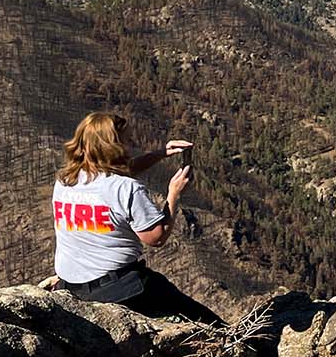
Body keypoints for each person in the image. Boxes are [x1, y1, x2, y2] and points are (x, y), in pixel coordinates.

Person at [48, 111, 222, 324]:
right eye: (127, 140)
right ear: (114, 146)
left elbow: (113, 177)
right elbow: (156, 238)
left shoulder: (66, 181)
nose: (131, 144)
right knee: (207, 322)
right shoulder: (127, 189)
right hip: (119, 289)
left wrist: (161, 153)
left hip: (72, 285)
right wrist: (174, 195)